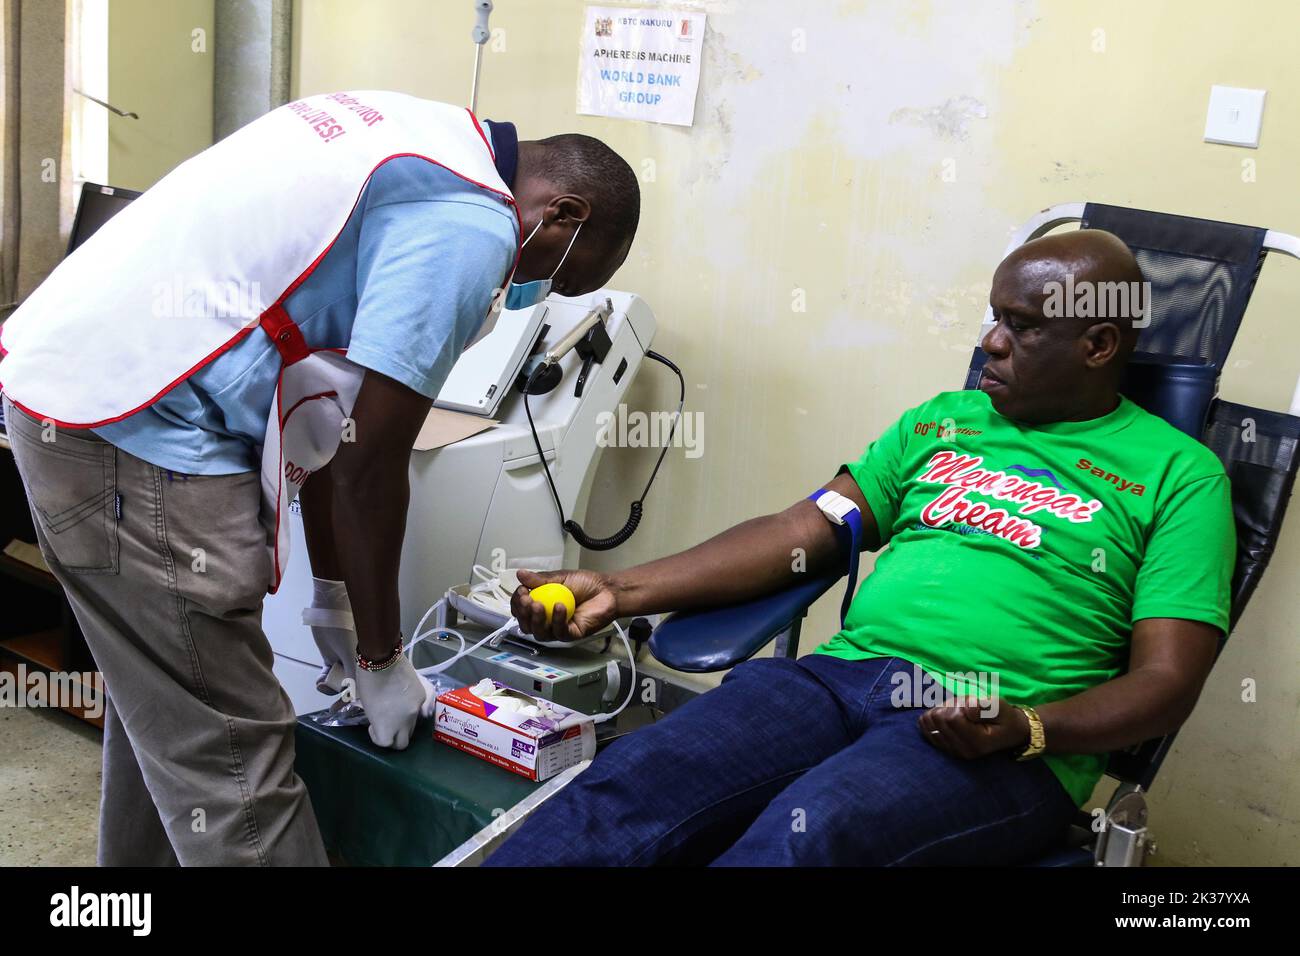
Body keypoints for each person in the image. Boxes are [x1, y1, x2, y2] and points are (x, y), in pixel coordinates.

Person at [0, 90, 640, 866]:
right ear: (561, 214)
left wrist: (335, 602)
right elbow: (370, 465)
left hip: (66, 402)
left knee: (172, 713)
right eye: (561, 278)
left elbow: (336, 424)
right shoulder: (472, 225)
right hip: (140, 438)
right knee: (240, 771)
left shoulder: (420, 131)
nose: (536, 292)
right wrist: (381, 659)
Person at [488, 229, 1235, 866]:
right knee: (626, 783)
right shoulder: (946, 420)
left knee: (802, 838)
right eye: (992, 318)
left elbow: (1167, 682)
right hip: (834, 683)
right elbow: (800, 533)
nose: (990, 343)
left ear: (1099, 342)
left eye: (1022, 326)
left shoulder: (1179, 475)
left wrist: (1036, 726)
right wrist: (624, 591)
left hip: (994, 734)